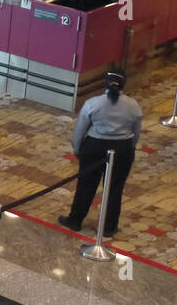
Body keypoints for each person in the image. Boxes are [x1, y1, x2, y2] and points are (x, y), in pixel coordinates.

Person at [58, 71, 143, 236]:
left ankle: (75, 220)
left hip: (94, 147)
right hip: (122, 149)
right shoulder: (133, 105)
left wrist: (77, 149)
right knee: (115, 188)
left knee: (86, 186)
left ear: (105, 83)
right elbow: (136, 132)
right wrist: (130, 147)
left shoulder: (93, 103)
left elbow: (79, 131)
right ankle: (109, 227)